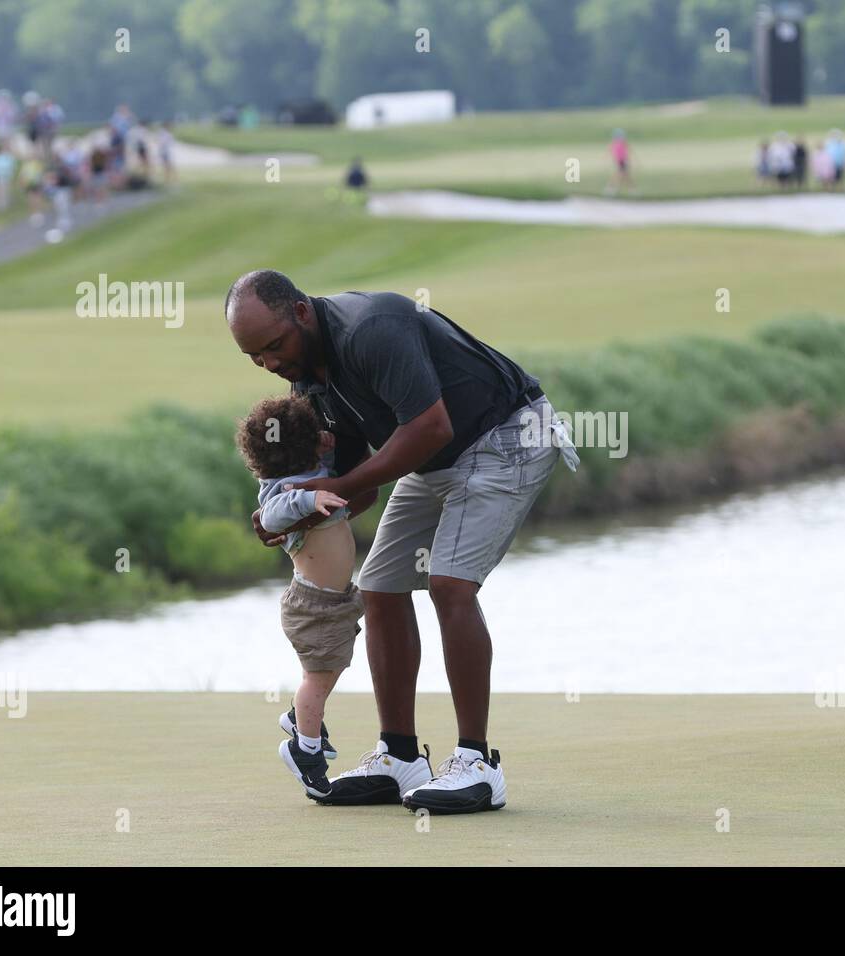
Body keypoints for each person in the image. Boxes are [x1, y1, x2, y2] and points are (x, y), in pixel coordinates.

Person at [225, 271, 579, 815]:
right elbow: (352, 483)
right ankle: (399, 756)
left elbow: (430, 427)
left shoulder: (371, 328)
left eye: (273, 347)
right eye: (255, 358)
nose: (270, 364)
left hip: (507, 435)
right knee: (382, 587)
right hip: (434, 457)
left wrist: (337, 487)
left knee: (449, 585)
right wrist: (298, 516)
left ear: (300, 313)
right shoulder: (308, 378)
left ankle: (478, 766)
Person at [235, 394, 370, 800]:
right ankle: (303, 748)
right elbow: (274, 513)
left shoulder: (310, 471)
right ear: (302, 449)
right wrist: (312, 499)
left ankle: (300, 721)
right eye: (318, 437)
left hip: (331, 600)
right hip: (312, 604)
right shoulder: (285, 491)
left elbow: (322, 469)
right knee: (318, 677)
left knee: (330, 670)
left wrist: (326, 445)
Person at [607, 128, 633, 195]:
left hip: (623, 161)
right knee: (621, 175)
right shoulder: (616, 144)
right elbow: (614, 153)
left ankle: (630, 188)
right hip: (620, 161)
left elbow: (626, 152)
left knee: (624, 175)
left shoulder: (622, 143)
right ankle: (612, 188)